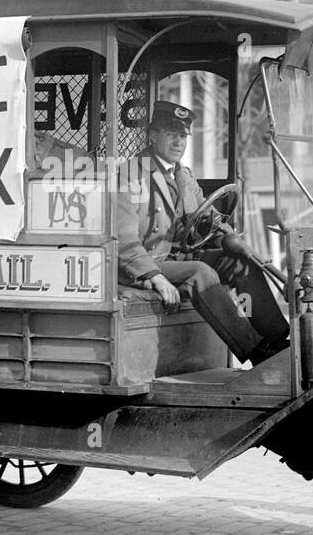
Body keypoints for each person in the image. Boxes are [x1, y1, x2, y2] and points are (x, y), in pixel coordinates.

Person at [116, 100, 286, 363]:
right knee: (201, 272)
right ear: (152, 136)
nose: (178, 143)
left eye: (183, 135)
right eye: (171, 134)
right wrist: (157, 278)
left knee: (239, 263)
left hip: (174, 257)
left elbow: (207, 219)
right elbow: (124, 240)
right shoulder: (130, 175)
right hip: (146, 265)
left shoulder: (183, 176)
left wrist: (229, 239)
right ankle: (257, 352)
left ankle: (278, 342)